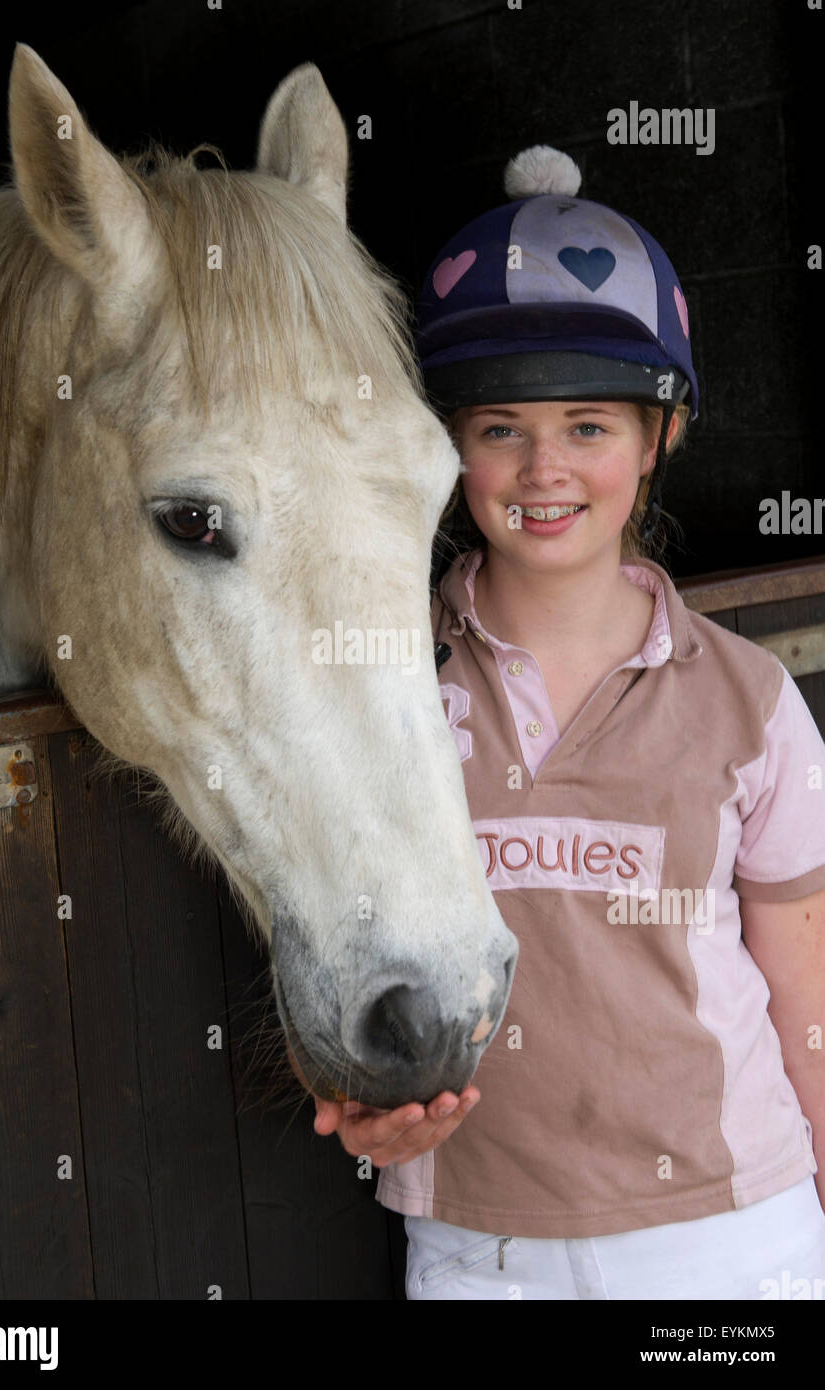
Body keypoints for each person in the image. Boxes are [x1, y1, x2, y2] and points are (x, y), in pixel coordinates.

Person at [289, 147, 825, 1300]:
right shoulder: (373, 679)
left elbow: (809, 995)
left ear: (660, 434)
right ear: (446, 445)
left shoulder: (750, 701)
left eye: (589, 426)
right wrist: (349, 1092)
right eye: (498, 428)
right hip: (481, 1249)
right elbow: (326, 933)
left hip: (733, 1238)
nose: (543, 469)